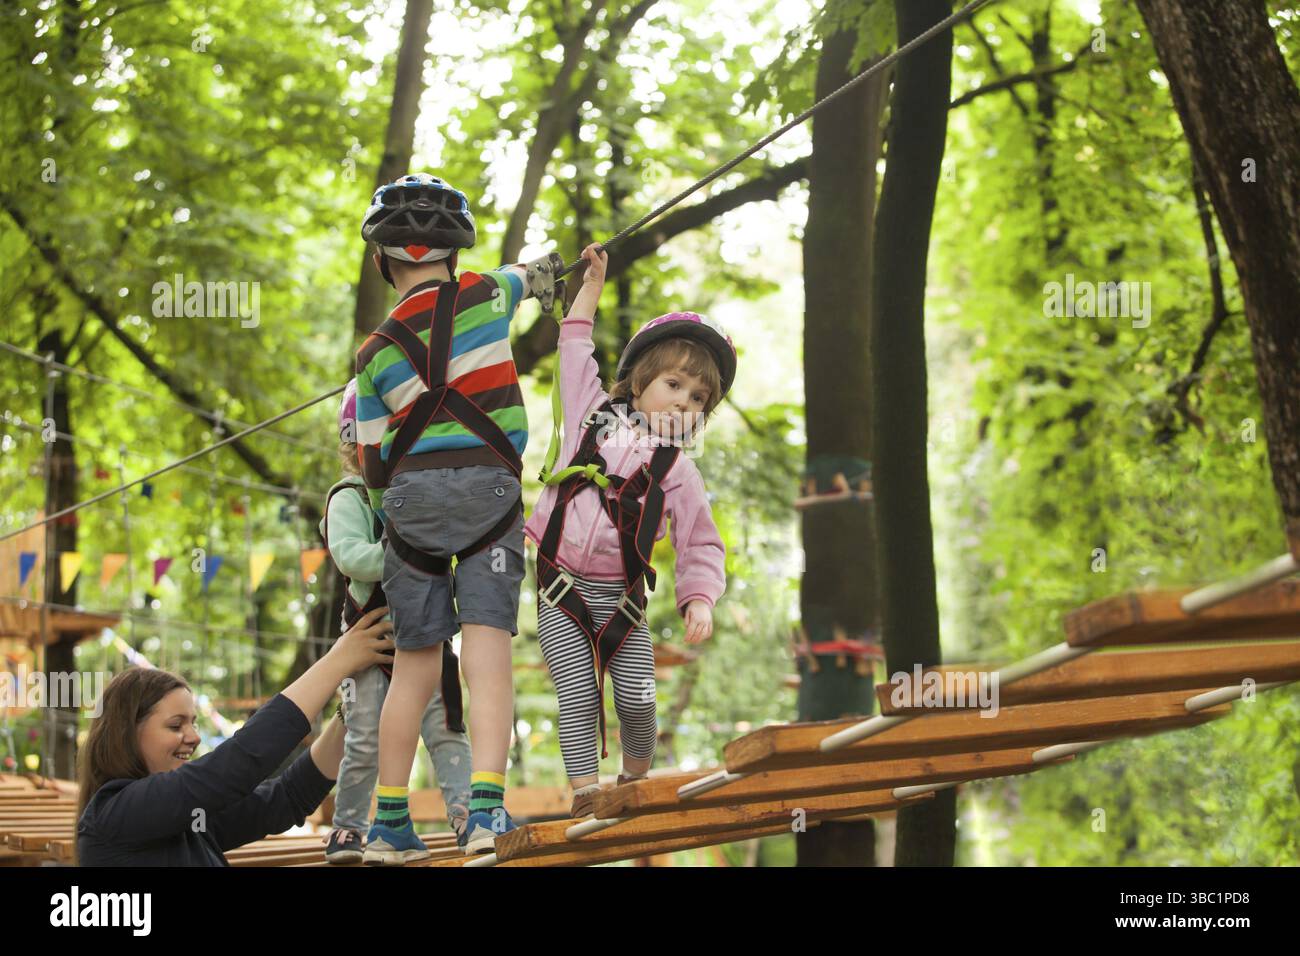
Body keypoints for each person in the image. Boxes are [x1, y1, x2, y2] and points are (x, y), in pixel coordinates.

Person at [353, 173, 562, 860]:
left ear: (384, 263)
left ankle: (386, 824)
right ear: (453, 253)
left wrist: (393, 529)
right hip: (487, 495)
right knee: (487, 652)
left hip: (410, 501)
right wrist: (554, 274)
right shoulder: (484, 294)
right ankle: (483, 815)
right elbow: (527, 277)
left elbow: (371, 457)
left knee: (414, 665)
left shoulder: (373, 354)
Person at [524, 243, 733, 817]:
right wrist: (590, 288)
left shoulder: (679, 472)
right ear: (639, 383)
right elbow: (574, 348)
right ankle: (587, 792)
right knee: (577, 693)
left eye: (698, 400)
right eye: (674, 385)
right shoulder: (589, 415)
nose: (685, 402)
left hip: (622, 598)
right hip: (560, 588)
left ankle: (635, 780)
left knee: (638, 701)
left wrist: (699, 598)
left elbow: (701, 541)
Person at [76, 607, 394, 866]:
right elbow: (237, 765)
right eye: (176, 726)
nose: (194, 737)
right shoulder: (116, 813)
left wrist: (352, 713)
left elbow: (287, 796)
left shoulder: (189, 822)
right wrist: (339, 660)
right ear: (127, 734)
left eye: (194, 723)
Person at [320, 379, 472, 862]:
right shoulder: (350, 498)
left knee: (446, 727)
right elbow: (352, 557)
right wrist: (406, 550)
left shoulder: (423, 499)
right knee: (364, 735)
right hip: (373, 639)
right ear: (355, 447)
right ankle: (347, 828)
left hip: (426, 634)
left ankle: (468, 814)